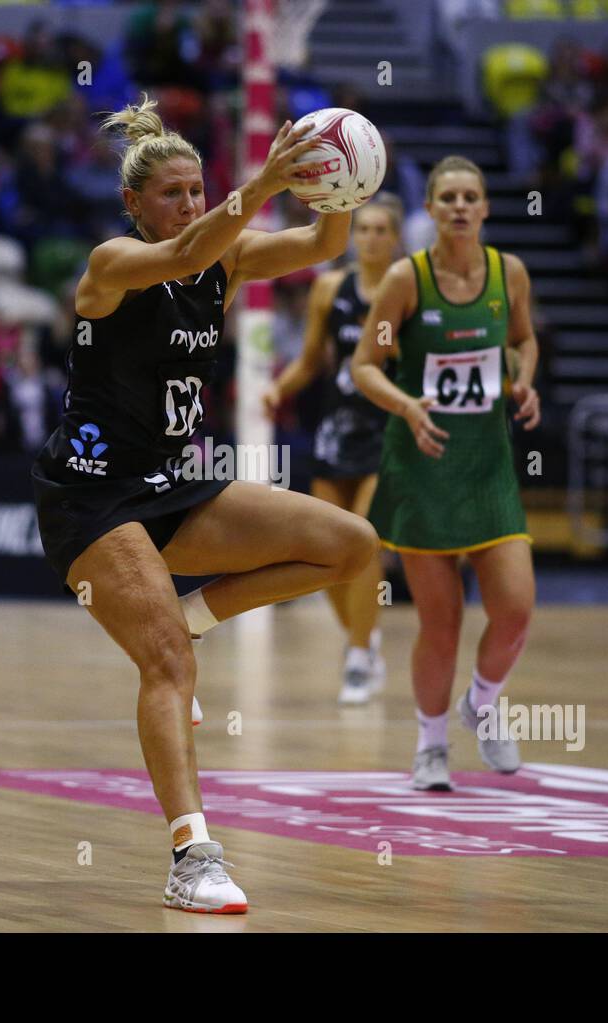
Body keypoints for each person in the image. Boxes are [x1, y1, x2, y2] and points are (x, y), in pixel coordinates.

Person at [30, 95, 378, 913]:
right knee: (168, 668)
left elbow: (325, 243)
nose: (188, 204)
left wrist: (337, 181)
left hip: (170, 485)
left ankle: (196, 613)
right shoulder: (112, 264)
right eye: (171, 192)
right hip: (90, 494)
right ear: (134, 206)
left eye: (197, 189)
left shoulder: (229, 256)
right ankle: (192, 853)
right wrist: (256, 187)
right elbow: (191, 246)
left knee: (352, 543)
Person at [352, 155, 541, 792]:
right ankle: (431, 743)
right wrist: (406, 404)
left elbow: (522, 339)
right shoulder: (406, 280)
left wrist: (526, 379)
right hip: (423, 467)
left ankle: (482, 705)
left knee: (515, 609)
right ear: (428, 211)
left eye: (471, 196)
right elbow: (366, 364)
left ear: (485, 208)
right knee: (443, 623)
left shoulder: (507, 273)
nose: (460, 206)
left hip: (488, 466)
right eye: (448, 198)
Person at [262, 193, 405, 704]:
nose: (369, 238)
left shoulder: (409, 291)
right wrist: (279, 389)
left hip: (387, 433)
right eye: (361, 229)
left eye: (380, 230)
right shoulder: (329, 288)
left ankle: (360, 657)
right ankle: (361, 640)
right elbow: (309, 362)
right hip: (334, 431)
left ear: (396, 237)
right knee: (326, 554)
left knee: (365, 544)